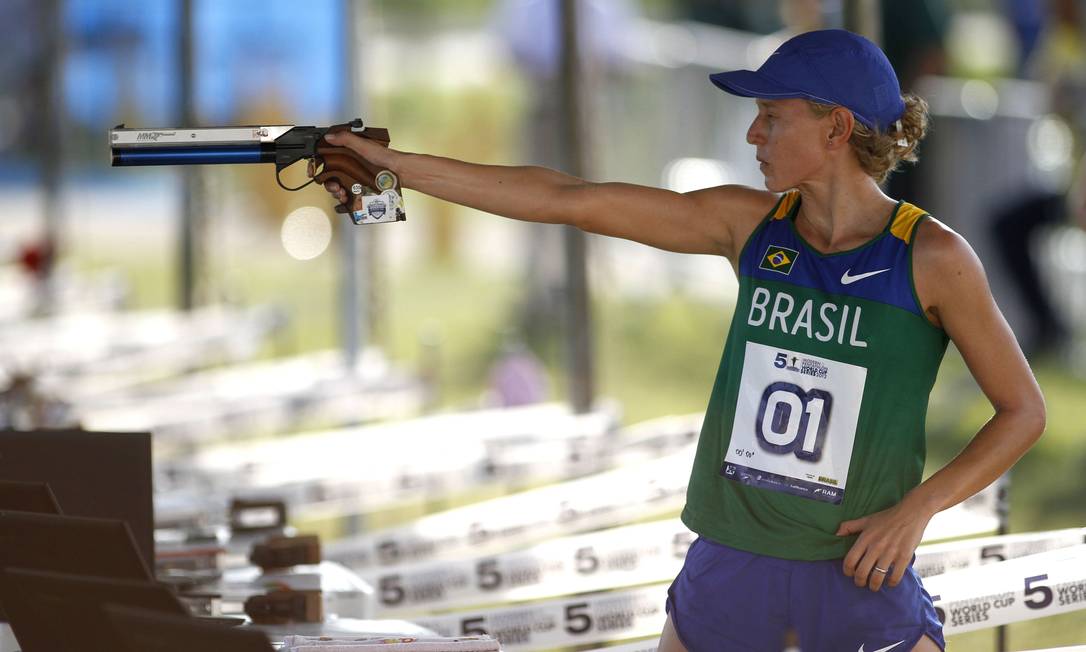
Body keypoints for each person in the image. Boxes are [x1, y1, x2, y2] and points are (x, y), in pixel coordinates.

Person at [317, 29, 1045, 652]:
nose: (753, 134)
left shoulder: (932, 257)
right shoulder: (749, 225)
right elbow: (568, 200)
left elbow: (1023, 410)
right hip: (733, 560)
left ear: (836, 127)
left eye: (771, 116)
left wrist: (916, 509)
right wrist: (398, 166)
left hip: (855, 566)